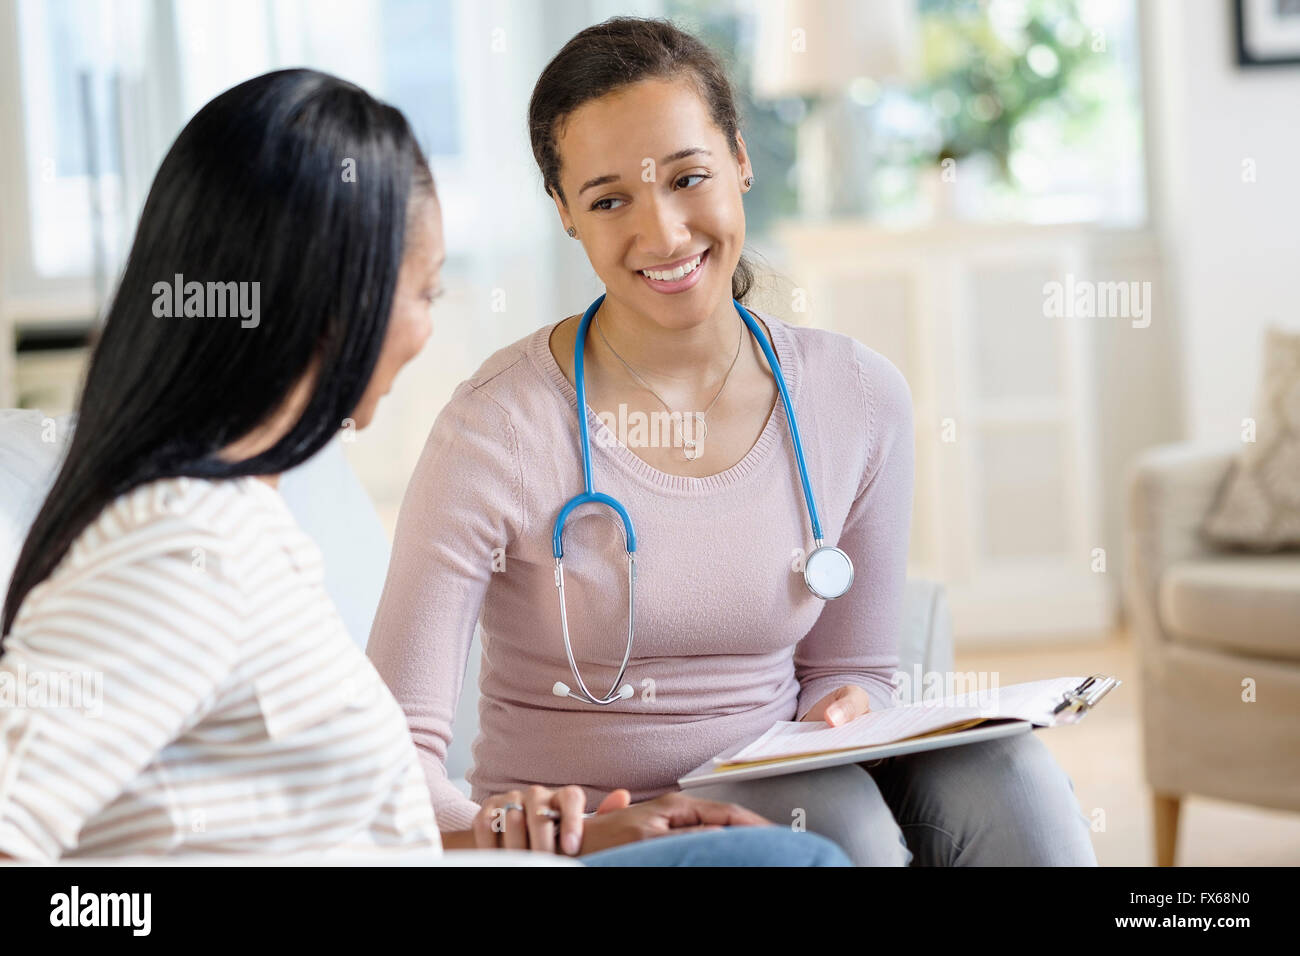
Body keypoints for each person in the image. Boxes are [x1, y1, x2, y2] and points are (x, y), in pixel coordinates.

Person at [0, 67, 848, 867]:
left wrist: (575, 832)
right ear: (333, 304)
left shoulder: (243, 522)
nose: (425, 330)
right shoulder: (179, 542)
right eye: (425, 292)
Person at [367, 17, 1098, 866]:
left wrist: (845, 710)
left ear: (742, 161)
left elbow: (852, 669)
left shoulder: (858, 397)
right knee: (838, 822)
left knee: (1012, 776)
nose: (666, 234)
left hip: (779, 783)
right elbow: (393, 757)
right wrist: (509, 834)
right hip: (604, 835)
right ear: (565, 213)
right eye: (610, 200)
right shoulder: (497, 425)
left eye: (689, 178)